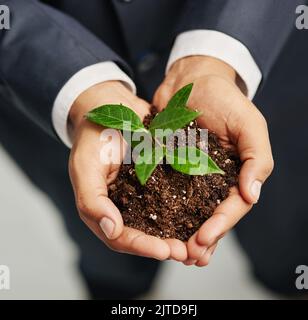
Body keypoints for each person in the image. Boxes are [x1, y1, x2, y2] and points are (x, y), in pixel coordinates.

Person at [0, 0, 306, 298]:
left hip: (262, 53)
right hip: (42, 90)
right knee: (107, 253)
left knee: (285, 241)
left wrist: (214, 61)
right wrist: (84, 93)